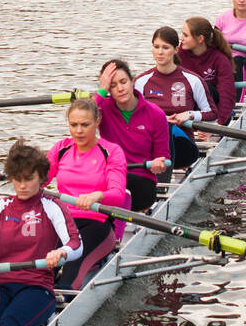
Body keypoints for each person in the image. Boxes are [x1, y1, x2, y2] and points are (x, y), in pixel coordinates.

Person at [0, 140, 81, 326]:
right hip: (2, 283)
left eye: (28, 179)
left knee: (10, 321)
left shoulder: (52, 207)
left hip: (37, 286)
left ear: (41, 178)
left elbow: (76, 243)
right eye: (17, 179)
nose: (22, 186)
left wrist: (61, 253)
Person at [47, 99, 128, 289]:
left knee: (70, 275)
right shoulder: (60, 148)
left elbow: (118, 194)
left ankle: (64, 296)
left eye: (85, 125)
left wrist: (96, 196)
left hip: (97, 224)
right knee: (38, 273)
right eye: (73, 125)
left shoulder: (111, 151)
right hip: (63, 222)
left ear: (97, 122)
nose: (78, 131)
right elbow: (39, 179)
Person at [96, 60, 170, 212]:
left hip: (142, 181)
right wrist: (102, 90)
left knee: (115, 186)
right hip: (111, 177)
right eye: (113, 85)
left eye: (123, 82)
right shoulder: (102, 108)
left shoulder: (156, 114)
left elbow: (163, 156)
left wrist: (159, 164)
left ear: (132, 81)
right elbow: (83, 120)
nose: (120, 88)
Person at [134, 27, 214, 167]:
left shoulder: (193, 80)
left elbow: (211, 113)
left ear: (176, 50)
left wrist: (189, 114)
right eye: (156, 47)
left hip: (182, 149)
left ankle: (161, 184)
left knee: (167, 128)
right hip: (150, 148)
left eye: (165, 47)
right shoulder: (141, 82)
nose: (160, 52)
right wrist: (160, 119)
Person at [176, 16, 237, 124]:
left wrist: (219, 123)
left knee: (203, 85)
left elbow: (226, 95)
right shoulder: (180, 55)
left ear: (200, 39)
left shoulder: (220, 59)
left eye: (185, 35)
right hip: (188, 108)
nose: (181, 38)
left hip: (214, 109)